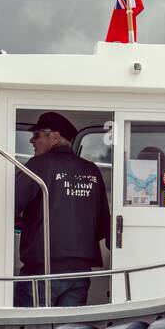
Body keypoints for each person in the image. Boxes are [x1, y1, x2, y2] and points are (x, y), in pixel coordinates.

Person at [13, 112, 110, 307]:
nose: (32, 140)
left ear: (55, 137)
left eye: (37, 135)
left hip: (42, 272)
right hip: (80, 273)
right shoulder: (91, 170)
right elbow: (103, 226)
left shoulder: (37, 166)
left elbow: (8, 206)